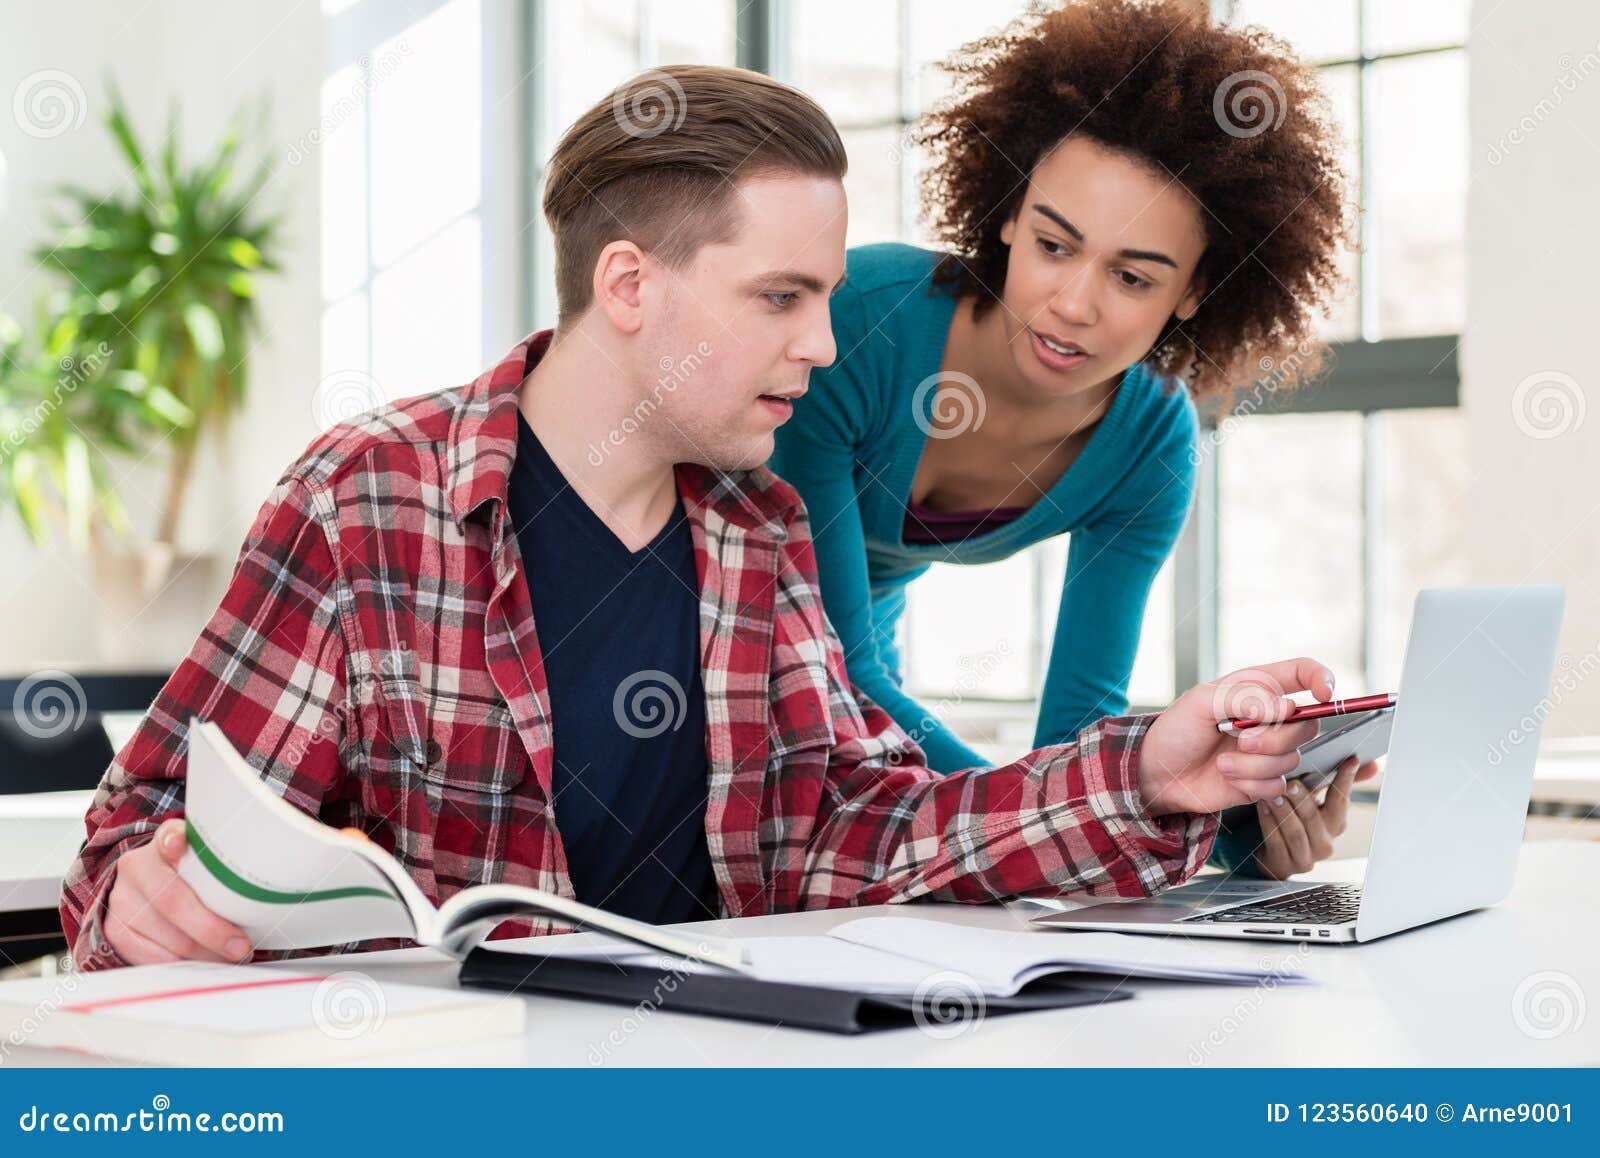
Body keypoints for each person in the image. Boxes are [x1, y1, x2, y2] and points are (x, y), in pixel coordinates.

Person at [62, 64, 1351, 972]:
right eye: (781, 297)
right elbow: (144, 832)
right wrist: (138, 899)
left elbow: (864, 832)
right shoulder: (367, 504)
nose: (827, 341)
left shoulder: (763, 535)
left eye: (831, 296)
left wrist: (1145, 770)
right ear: (628, 285)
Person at [768, 0, 1362, 878]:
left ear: (1194, 292)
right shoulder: (857, 327)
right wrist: (1119, 809)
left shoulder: (1151, 447)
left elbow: (1079, 728)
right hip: (747, 634)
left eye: (1131, 276)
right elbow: (839, 672)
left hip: (858, 676)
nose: (1073, 304)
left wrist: (1237, 830)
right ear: (1008, 213)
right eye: (1053, 244)